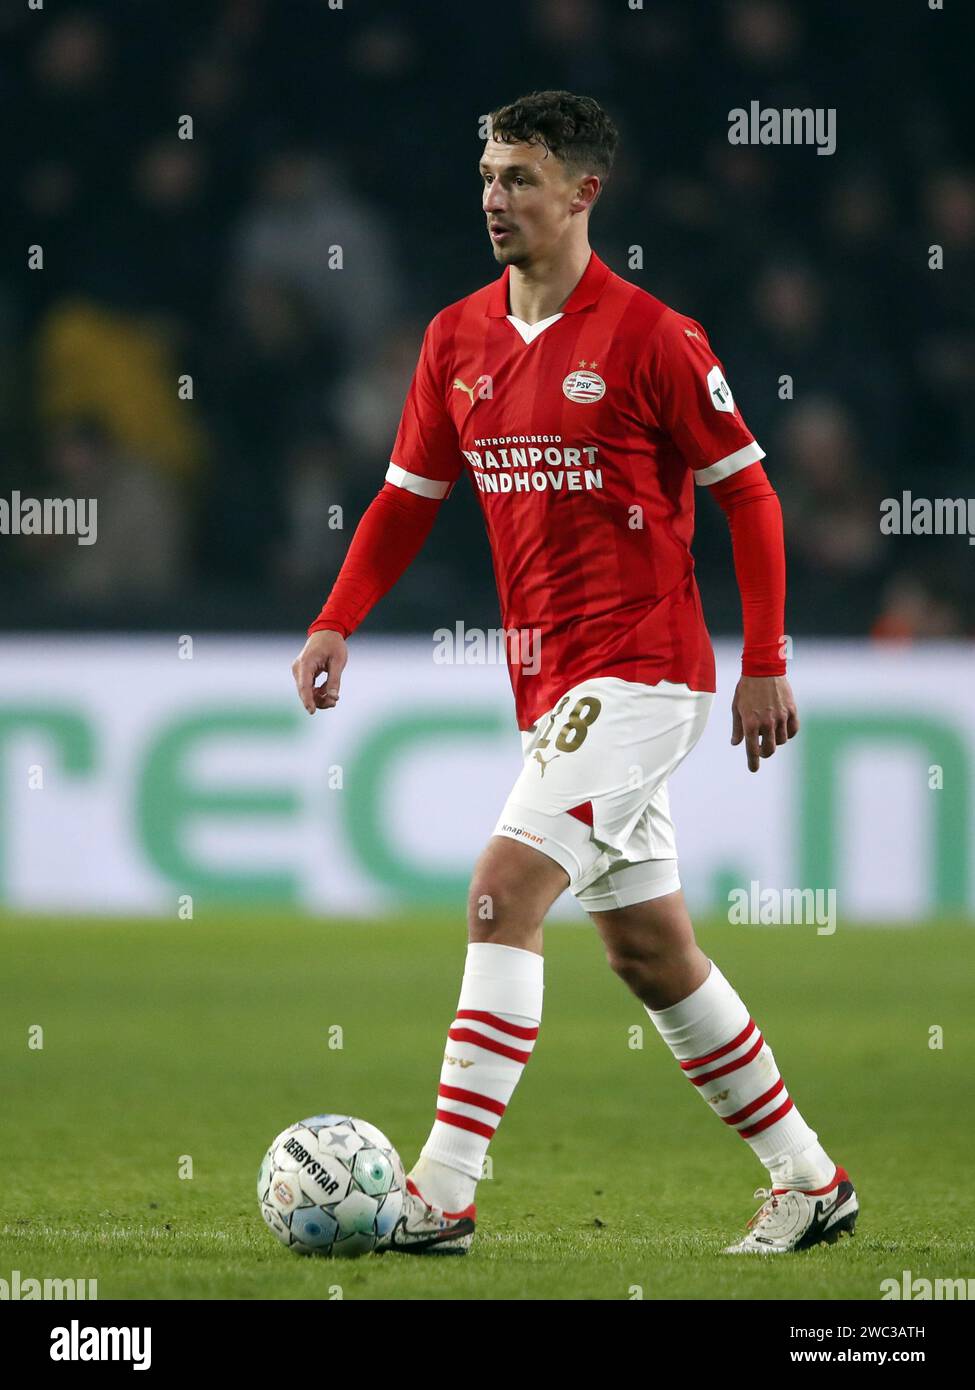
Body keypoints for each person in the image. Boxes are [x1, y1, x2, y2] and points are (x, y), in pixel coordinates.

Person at [292, 90, 857, 1256]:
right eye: (490, 175)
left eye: (522, 179)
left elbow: (748, 492)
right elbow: (407, 500)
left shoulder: (654, 335)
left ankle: (441, 1190)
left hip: (646, 671)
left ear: (584, 193)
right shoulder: (455, 338)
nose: (496, 198)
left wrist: (767, 658)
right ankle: (809, 1181)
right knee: (650, 953)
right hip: (551, 693)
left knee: (502, 889)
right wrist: (337, 618)